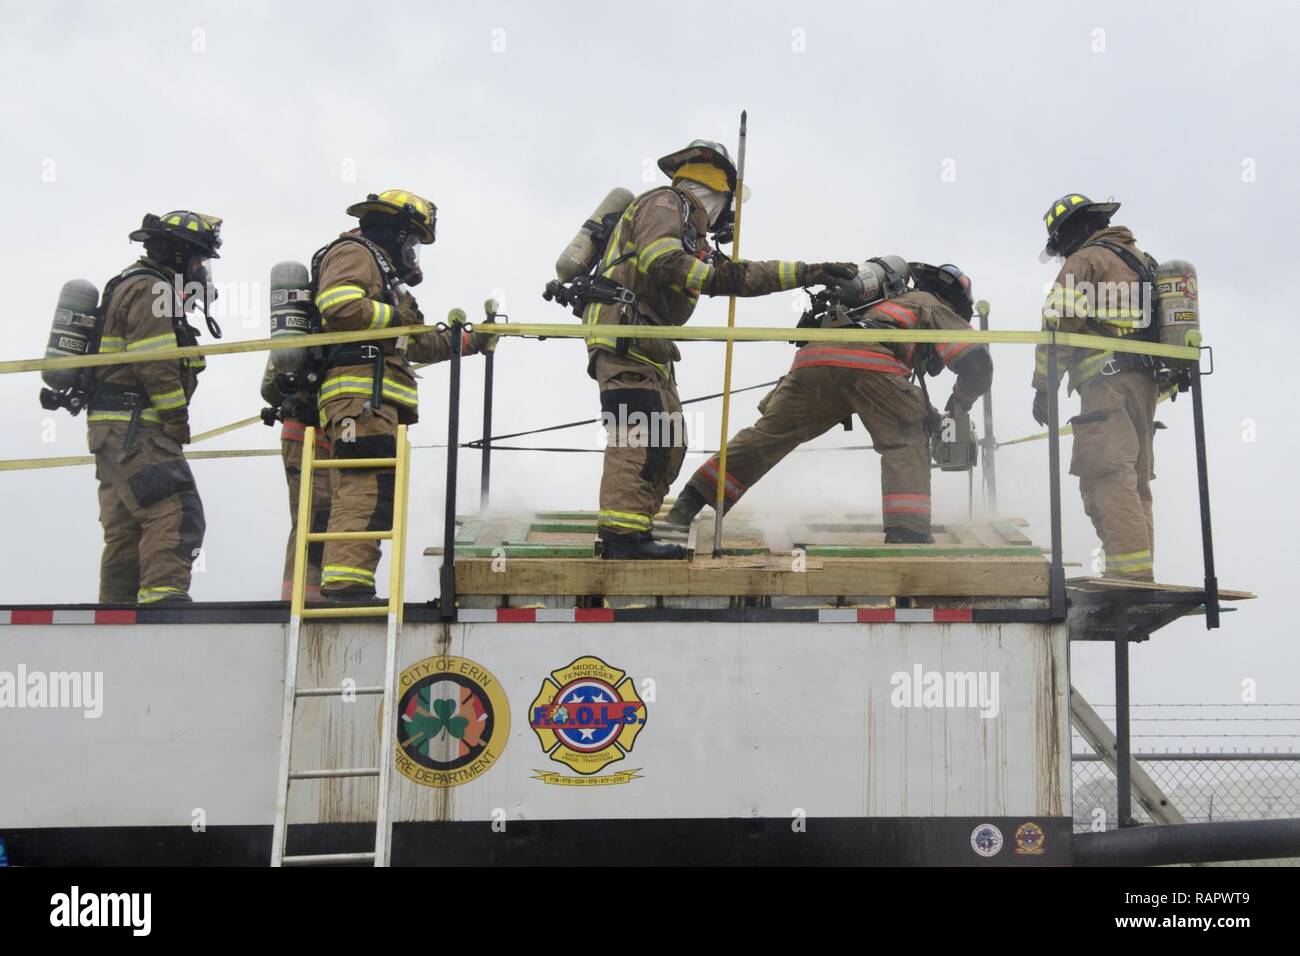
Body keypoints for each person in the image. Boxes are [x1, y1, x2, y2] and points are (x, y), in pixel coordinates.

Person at [582, 138, 857, 558]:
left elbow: (743, 276)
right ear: (720, 194)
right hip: (623, 336)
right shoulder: (665, 203)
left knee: (668, 440)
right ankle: (621, 541)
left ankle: (636, 530)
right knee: (637, 432)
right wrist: (712, 279)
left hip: (648, 345)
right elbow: (661, 260)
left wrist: (808, 271)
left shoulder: (692, 233)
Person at [665, 259, 992, 543]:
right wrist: (958, 406)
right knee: (906, 439)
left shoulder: (875, 304)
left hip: (815, 360)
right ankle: (907, 535)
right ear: (953, 304)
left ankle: (691, 501)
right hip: (870, 365)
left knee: (768, 436)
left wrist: (928, 411)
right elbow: (977, 363)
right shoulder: (929, 303)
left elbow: (892, 394)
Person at [313, 189, 490, 601]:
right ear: (394, 232)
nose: (413, 252)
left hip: (373, 401)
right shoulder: (355, 252)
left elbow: (413, 343)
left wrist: (469, 342)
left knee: (374, 489)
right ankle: (346, 585)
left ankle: (349, 581)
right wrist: (398, 316)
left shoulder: (385, 277)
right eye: (411, 241)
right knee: (364, 486)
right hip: (359, 396)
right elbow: (339, 307)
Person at [88, 210, 219, 603]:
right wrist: (176, 417)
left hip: (112, 431)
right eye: (198, 261)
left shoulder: (132, 284)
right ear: (180, 257)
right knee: (175, 509)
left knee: (127, 528)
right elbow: (155, 362)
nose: (201, 271)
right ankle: (163, 605)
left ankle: (117, 616)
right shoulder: (154, 290)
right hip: (137, 428)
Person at [1031, 193, 1159, 580]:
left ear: (1074, 231)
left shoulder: (1086, 260)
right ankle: (1137, 572)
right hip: (1145, 384)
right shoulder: (1143, 261)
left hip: (1106, 385)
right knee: (1133, 480)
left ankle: (1128, 579)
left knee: (1105, 475)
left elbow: (1058, 324)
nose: (1062, 252)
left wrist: (1043, 386)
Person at [260, 357, 332, 600]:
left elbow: (269, 390)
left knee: (312, 518)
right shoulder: (347, 323)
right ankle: (306, 598)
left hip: (303, 437)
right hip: (315, 440)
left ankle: (303, 597)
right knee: (316, 519)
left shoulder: (296, 333)